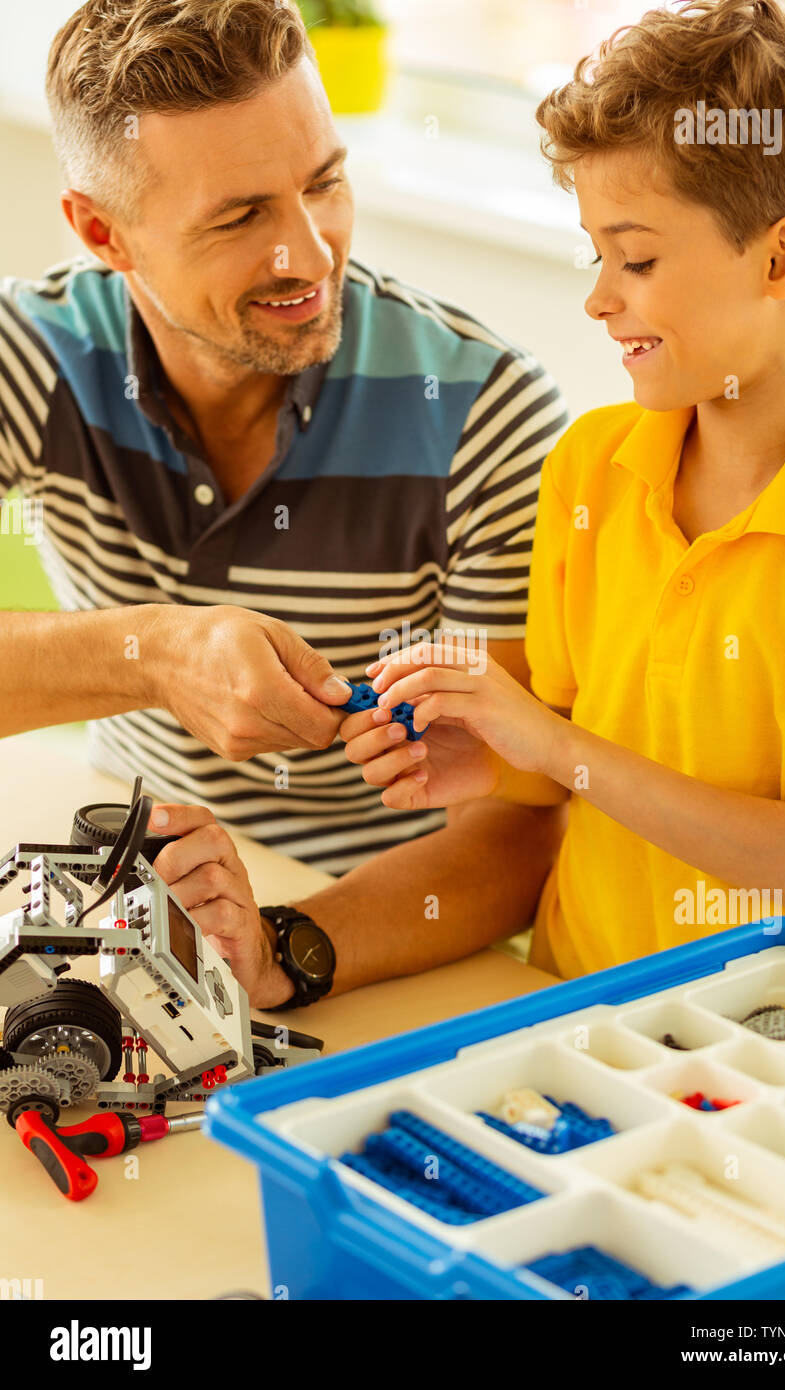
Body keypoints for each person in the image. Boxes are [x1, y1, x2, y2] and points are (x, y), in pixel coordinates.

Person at [0, 0, 567, 1007]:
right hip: (129, 894)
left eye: (324, 183)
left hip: (369, 947)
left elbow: (523, 824)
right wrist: (157, 654)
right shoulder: (33, 355)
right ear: (102, 231)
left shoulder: (486, 412)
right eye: (240, 216)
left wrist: (275, 948)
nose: (308, 255)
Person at [344, 0, 785, 978]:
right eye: (596, 256)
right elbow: (564, 753)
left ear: (782, 258)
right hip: (567, 1006)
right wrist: (494, 759)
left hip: (778, 1054)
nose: (597, 297)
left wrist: (545, 742)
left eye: (636, 258)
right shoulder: (591, 465)